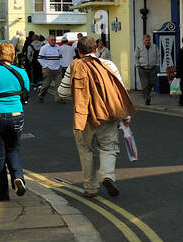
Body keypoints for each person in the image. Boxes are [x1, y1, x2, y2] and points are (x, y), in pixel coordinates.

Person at [57, 35, 135, 198]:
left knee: (86, 151)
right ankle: (107, 176)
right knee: (108, 148)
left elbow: (62, 93)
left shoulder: (75, 67)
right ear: (95, 49)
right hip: (108, 115)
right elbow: (120, 92)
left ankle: (91, 188)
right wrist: (125, 116)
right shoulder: (109, 65)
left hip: (84, 116)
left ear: (79, 51)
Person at [0, 42, 30, 200]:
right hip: (17, 114)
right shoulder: (22, 72)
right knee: (13, 149)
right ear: (13, 55)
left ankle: (1, 193)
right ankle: (18, 176)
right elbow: (26, 94)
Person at [133, 34, 161, 106]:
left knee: (152, 83)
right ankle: (147, 98)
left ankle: (146, 94)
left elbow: (158, 56)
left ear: (150, 40)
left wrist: (157, 64)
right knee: (145, 85)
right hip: (142, 68)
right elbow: (136, 57)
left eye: (148, 40)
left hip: (153, 68)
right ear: (143, 40)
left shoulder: (154, 47)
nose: (147, 41)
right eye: (145, 40)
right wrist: (137, 65)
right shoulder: (139, 47)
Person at [35, 33, 64, 101]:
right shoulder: (44, 48)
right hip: (48, 69)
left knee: (59, 85)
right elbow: (39, 58)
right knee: (46, 85)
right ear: (48, 40)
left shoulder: (58, 47)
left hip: (57, 69)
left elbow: (61, 57)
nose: (53, 41)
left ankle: (58, 99)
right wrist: (45, 66)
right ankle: (41, 96)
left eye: (54, 40)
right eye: (52, 40)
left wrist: (60, 65)